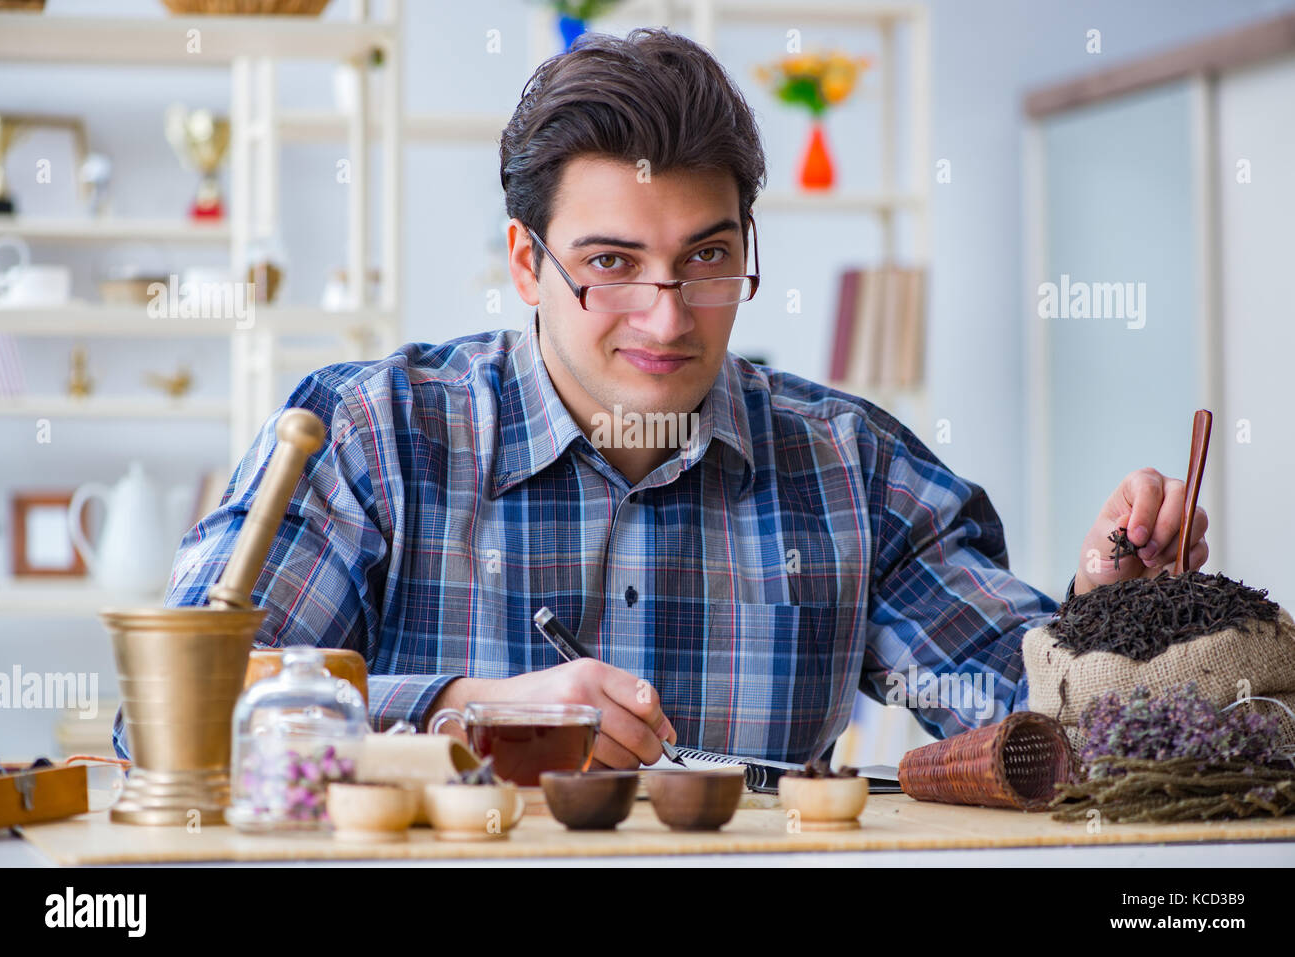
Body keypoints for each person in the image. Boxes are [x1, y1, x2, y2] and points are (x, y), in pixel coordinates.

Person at [112, 28, 1207, 766]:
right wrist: (460, 710)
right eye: (611, 264)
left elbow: (1038, 727)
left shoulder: (849, 466)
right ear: (525, 263)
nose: (669, 317)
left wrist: (1112, 613)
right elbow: (170, 727)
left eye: (707, 257)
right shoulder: (368, 436)